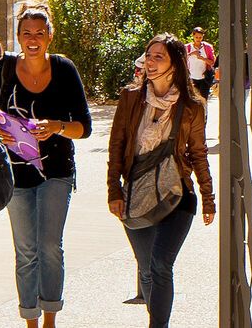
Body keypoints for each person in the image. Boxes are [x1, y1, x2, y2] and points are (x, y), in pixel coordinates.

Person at [0, 4, 93, 328]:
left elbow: (84, 127)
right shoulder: (4, 68)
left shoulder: (64, 70)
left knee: (49, 246)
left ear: (50, 36)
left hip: (57, 172)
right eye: (26, 33)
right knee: (25, 250)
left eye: (39, 33)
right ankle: (30, 321)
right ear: (18, 37)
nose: (32, 39)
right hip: (15, 174)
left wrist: (56, 126)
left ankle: (50, 318)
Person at [107, 35, 215, 328]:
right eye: (149, 56)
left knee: (160, 264)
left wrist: (208, 197)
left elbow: (199, 153)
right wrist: (113, 191)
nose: (150, 63)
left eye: (159, 57)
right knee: (146, 269)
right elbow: (116, 146)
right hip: (136, 192)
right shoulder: (131, 97)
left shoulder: (192, 106)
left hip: (177, 194)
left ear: (174, 64)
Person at [186, 27, 217, 100]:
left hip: (204, 78)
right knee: (192, 101)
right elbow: (181, 60)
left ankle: (204, 111)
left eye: (200, 37)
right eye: (196, 37)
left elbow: (212, 63)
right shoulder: (187, 47)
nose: (198, 39)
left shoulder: (208, 47)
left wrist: (202, 58)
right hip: (191, 78)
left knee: (203, 100)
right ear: (193, 36)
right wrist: (191, 54)